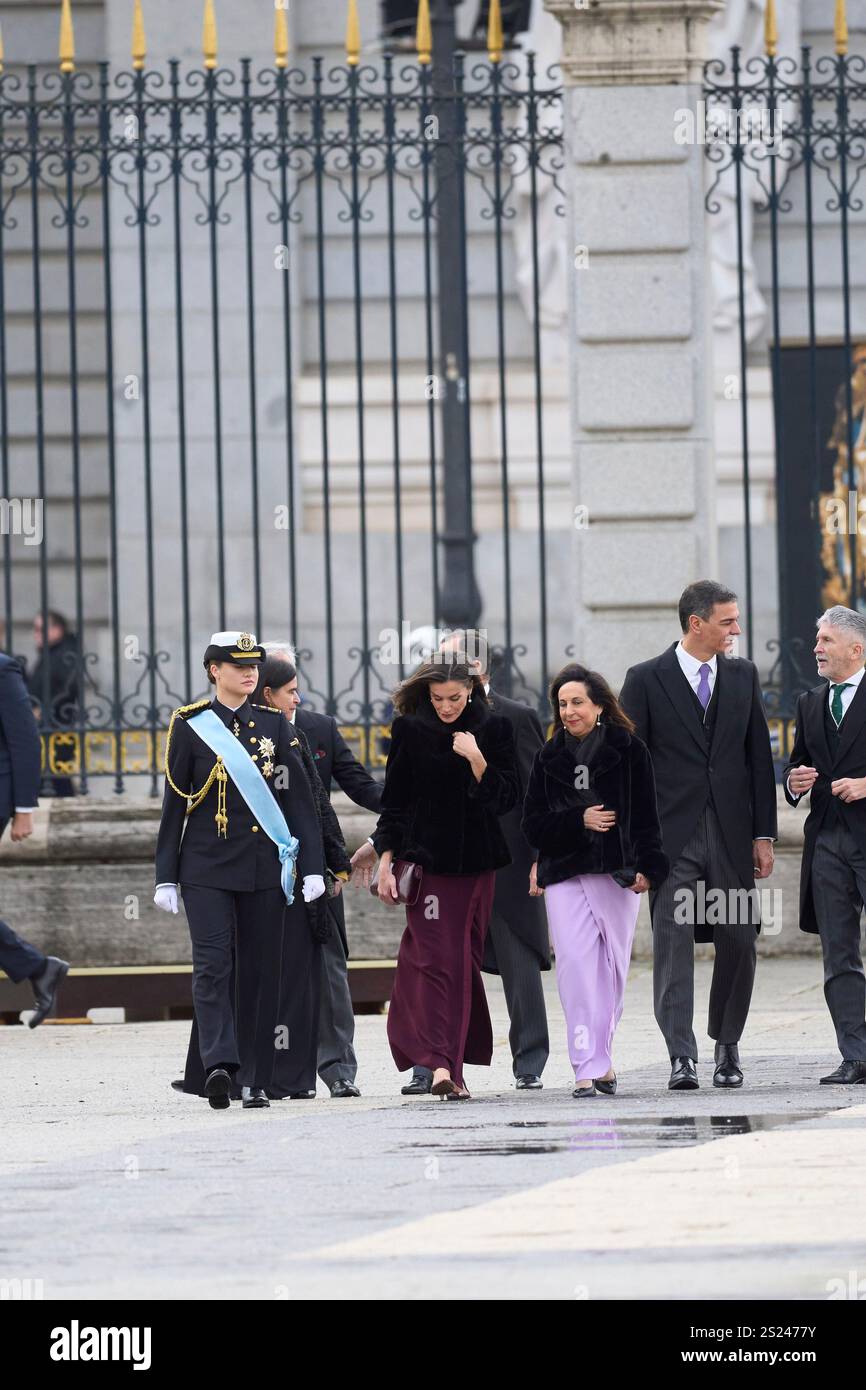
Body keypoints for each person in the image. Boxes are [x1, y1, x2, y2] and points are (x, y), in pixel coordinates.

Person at [154, 632, 326, 1111]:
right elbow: (174, 807)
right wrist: (165, 874)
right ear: (214, 670)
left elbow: (299, 806)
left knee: (260, 971)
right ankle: (219, 1067)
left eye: (253, 665)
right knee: (213, 967)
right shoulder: (190, 726)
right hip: (205, 868)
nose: (250, 673)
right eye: (237, 665)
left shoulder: (274, 726)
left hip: (262, 868)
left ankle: (256, 1078)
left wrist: (311, 866)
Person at [620, 580, 777, 1090]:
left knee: (739, 938)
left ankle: (727, 1046)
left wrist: (764, 835)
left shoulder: (743, 675)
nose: (736, 629)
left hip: (731, 835)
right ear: (697, 624)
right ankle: (680, 1056)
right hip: (672, 838)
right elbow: (627, 767)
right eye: (728, 621)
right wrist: (636, 845)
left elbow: (759, 760)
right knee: (673, 942)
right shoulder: (645, 679)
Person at [398, 628, 550, 1095]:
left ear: (478, 671)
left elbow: (533, 793)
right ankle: (434, 1065)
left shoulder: (516, 717)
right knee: (441, 965)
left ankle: (528, 1062)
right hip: (441, 866)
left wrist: (540, 858)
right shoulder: (421, 721)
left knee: (517, 961)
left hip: (503, 860)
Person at [375, 655, 519, 1099]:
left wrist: (477, 760)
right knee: (439, 963)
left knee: (463, 963)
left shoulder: (495, 729)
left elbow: (508, 799)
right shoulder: (410, 730)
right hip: (429, 867)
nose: (445, 706)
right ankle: (440, 1066)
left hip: (477, 867)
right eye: (437, 698)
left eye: (454, 698)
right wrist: (384, 859)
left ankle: (452, 1065)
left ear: (472, 690)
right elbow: (395, 802)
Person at [522, 663, 668, 1097]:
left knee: (611, 970)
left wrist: (649, 867)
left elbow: (647, 817)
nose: (569, 711)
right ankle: (585, 1066)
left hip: (617, 875)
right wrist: (577, 819)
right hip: (565, 874)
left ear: (599, 705)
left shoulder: (629, 749)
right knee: (574, 968)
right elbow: (533, 825)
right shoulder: (548, 757)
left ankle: (602, 1058)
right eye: (562, 704)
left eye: (577, 702)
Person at [264, 641, 384, 1099]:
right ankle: (272, 1068)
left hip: (319, 867)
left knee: (329, 968)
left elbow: (359, 784)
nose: (297, 697)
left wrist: (406, 810)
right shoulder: (235, 733)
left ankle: (337, 1068)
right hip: (262, 869)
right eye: (288, 686)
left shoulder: (318, 728)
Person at [783, 606, 866, 1084]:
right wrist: (795, 782)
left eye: (826, 641)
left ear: (856, 649)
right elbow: (799, 769)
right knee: (839, 952)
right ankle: (854, 1055)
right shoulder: (808, 702)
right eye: (817, 640)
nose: (816, 647)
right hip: (827, 844)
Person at [0, 650, 68, 1025]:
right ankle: (38, 967)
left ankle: (37, 966)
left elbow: (25, 739)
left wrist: (25, 808)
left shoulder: (3, 668)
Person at [27, 610, 80, 798]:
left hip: (57, 729)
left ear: (57, 630)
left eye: (40, 629)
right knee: (52, 780)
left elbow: (68, 687)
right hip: (46, 730)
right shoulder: (50, 654)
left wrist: (42, 710)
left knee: (56, 781)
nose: (36, 634)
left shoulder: (66, 654)